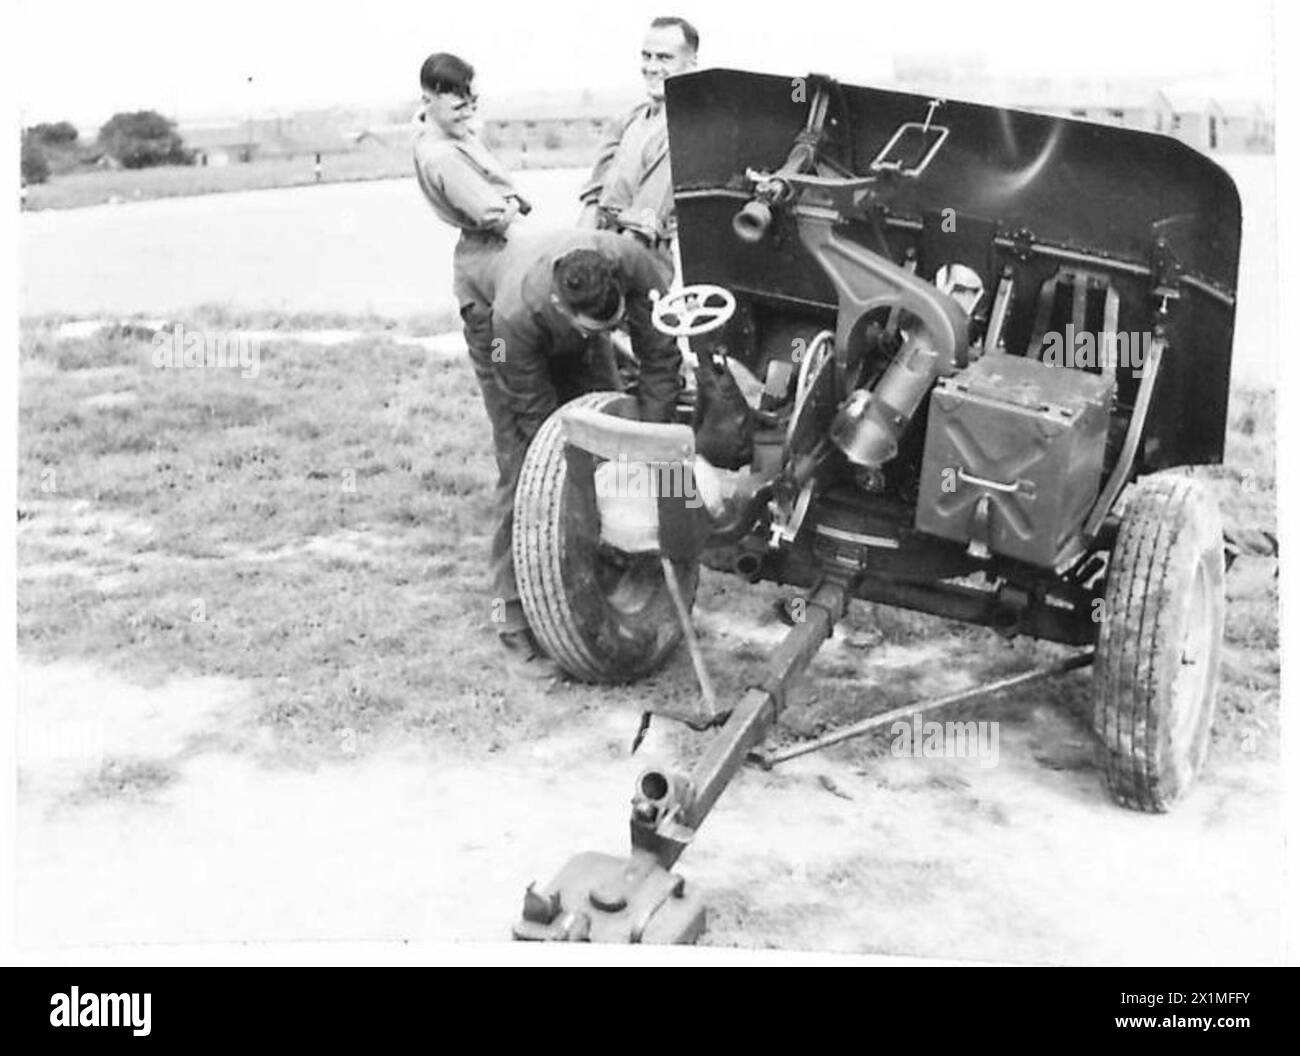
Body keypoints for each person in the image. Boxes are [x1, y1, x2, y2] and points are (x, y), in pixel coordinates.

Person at [483, 229, 683, 666]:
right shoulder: (512, 319)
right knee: (523, 471)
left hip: (577, 334)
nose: (612, 332)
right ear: (561, 307)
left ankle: (608, 566)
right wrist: (568, 479)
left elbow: (661, 356)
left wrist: (649, 440)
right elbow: (535, 416)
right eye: (600, 327)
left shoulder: (633, 263)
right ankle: (513, 615)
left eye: (615, 325)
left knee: (614, 428)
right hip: (503, 348)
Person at [412, 51, 531, 484]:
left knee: (515, 405)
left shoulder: (443, 131)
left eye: (472, 101)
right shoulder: (442, 156)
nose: (469, 112)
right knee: (509, 403)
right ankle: (514, 531)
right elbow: (500, 221)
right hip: (488, 287)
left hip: (487, 271)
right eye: (458, 104)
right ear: (430, 99)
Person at [577, 16, 699, 281]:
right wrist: (576, 255)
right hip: (601, 246)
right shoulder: (629, 118)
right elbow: (593, 196)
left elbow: (643, 222)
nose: (651, 67)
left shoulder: (684, 130)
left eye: (664, 58)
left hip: (640, 260)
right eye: (647, 56)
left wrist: (598, 273)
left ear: (691, 64)